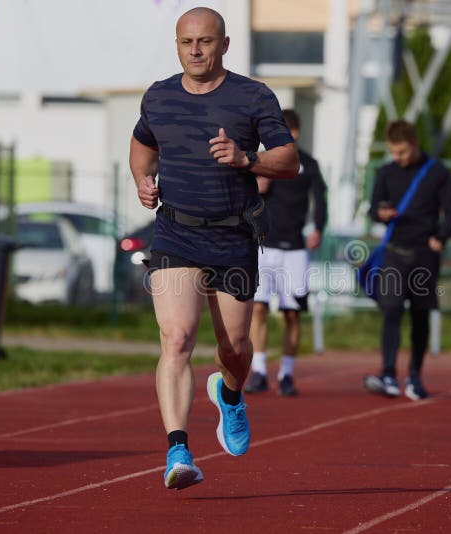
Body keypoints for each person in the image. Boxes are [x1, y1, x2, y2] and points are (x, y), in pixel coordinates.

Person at [129, 7, 299, 491]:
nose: (196, 50)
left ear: (224, 45)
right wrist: (143, 180)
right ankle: (178, 450)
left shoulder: (252, 96)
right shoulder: (158, 96)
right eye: (187, 42)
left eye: (205, 41)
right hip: (176, 233)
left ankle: (229, 394)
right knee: (177, 338)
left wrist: (248, 160)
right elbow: (142, 146)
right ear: (177, 45)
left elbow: (289, 161)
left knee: (235, 347)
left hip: (233, 237)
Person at [363, 120, 451, 401]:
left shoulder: (437, 172)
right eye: (394, 152)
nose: (398, 158)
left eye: (403, 152)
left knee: (420, 315)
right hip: (394, 251)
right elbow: (373, 208)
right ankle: (388, 373)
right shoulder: (386, 173)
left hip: (424, 255)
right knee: (391, 309)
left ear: (415, 145)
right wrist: (380, 214)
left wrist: (440, 238)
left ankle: (415, 377)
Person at [245, 109, 328, 397]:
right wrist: (257, 186)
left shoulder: (308, 163)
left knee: (292, 312)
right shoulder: (261, 160)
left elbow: (320, 196)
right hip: (264, 245)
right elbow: (240, 193)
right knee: (258, 308)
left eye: (290, 132)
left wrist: (318, 227)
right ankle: (258, 370)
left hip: (294, 248)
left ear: (297, 132)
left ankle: (287, 374)